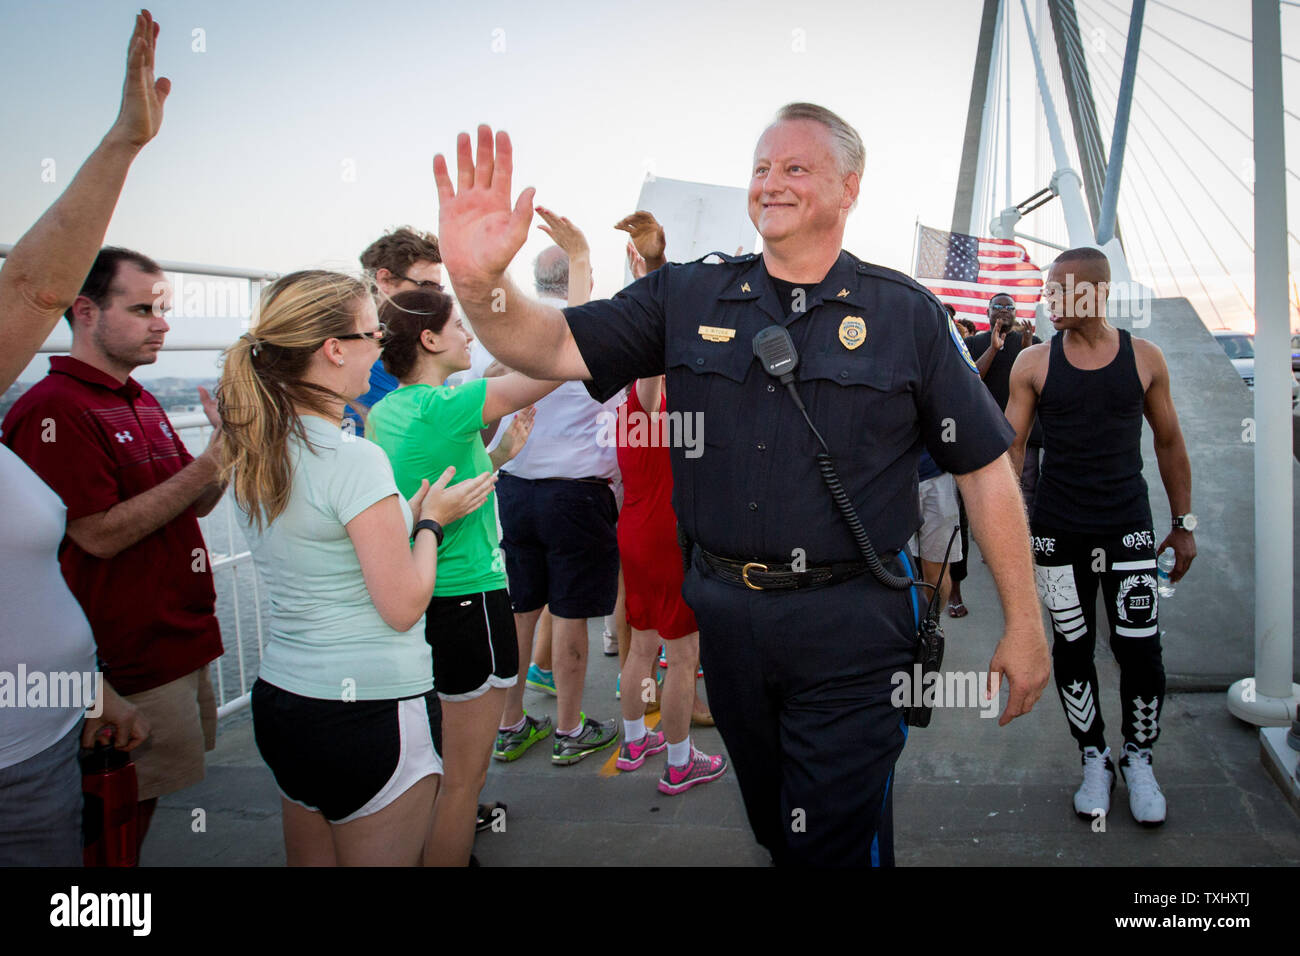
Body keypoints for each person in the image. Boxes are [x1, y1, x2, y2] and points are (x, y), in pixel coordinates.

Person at [432, 104, 1051, 866]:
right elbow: (550, 344)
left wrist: (1024, 623)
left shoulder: (906, 315)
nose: (771, 183)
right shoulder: (686, 298)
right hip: (729, 623)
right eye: (761, 168)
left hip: (855, 626)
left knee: (821, 839)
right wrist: (479, 283)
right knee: (777, 825)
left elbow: (985, 469)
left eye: (796, 168)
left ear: (849, 187)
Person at [216, 270, 496, 865]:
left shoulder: (256, 453)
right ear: (334, 349)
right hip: (370, 710)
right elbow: (402, 605)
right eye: (370, 334)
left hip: (286, 699)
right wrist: (430, 523)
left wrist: (404, 514)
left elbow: (321, 542)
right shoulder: (353, 457)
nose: (378, 349)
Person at [0, 8, 159, 866]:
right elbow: (29, 290)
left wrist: (84, 687)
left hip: (42, 752)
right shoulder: (48, 408)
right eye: (144, 307)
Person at [366, 289, 558, 865]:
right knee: (461, 787)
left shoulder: (387, 413)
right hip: (470, 600)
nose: (469, 337)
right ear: (428, 341)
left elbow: (434, 485)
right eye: (459, 326)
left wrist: (498, 456)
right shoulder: (447, 407)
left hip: (425, 602)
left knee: (433, 764)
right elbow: (552, 367)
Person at [1006, 247, 1195, 828]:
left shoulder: (1145, 359)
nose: (1049, 300)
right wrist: (1007, 538)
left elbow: (1168, 442)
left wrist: (1183, 526)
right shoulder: (1033, 364)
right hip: (1057, 535)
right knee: (1071, 648)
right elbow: (1009, 453)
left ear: (1096, 293)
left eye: (1060, 290)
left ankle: (1140, 760)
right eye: (1047, 290)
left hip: (1128, 532)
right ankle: (1095, 758)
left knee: (1141, 650)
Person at [489, 209, 626, 767]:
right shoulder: (586, 336)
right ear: (582, 283)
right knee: (570, 616)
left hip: (516, 488)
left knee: (522, 609)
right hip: (577, 495)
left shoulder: (504, 335)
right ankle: (570, 729)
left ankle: (510, 723)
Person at [344, 227, 445, 436]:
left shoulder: (423, 349)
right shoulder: (346, 348)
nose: (436, 300)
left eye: (439, 290)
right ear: (385, 281)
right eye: (426, 286)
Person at [966, 293, 1043, 507]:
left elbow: (1041, 385)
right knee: (986, 488)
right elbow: (971, 379)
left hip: (1025, 434)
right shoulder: (972, 343)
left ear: (1016, 314)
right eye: (997, 306)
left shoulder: (1034, 343)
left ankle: (1022, 536)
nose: (1003, 310)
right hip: (986, 431)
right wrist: (993, 348)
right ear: (987, 311)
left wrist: (1027, 351)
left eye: (1009, 307)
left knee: (1025, 488)